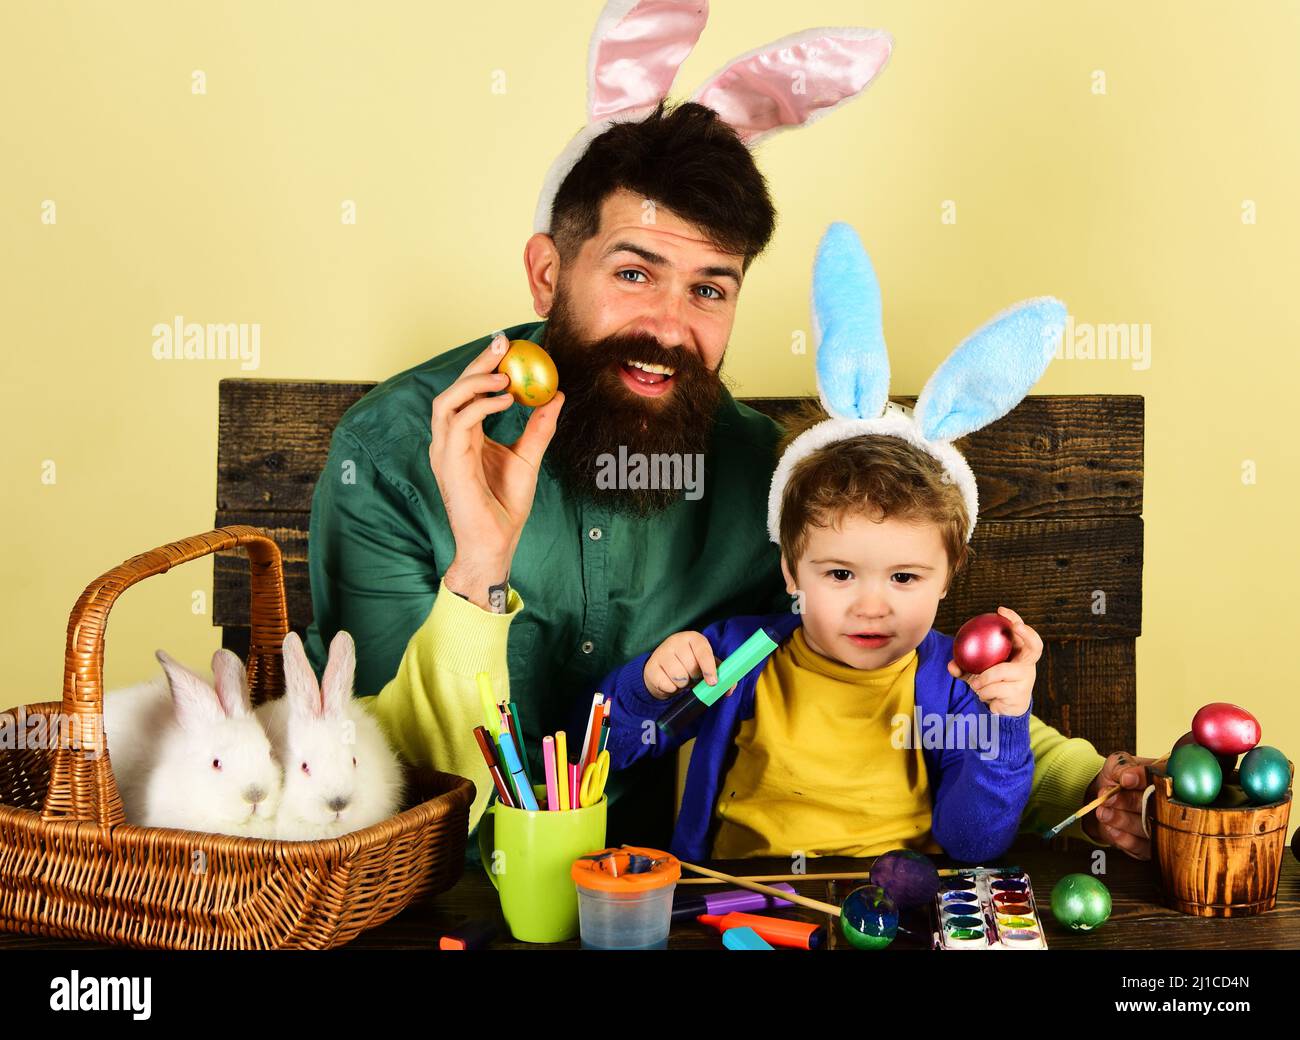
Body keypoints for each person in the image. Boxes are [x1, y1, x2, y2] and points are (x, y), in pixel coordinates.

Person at [303, 101, 1156, 857]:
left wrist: (1093, 781)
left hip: (673, 894)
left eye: (709, 290)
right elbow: (383, 782)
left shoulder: (766, 478)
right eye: (634, 274)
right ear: (547, 272)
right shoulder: (391, 452)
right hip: (445, 896)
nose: (670, 328)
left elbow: (882, 670)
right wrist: (479, 573)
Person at [603, 412, 1038, 862]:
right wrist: (648, 689)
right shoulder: (739, 657)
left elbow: (974, 844)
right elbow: (607, 753)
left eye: (904, 577)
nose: (871, 607)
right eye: (841, 573)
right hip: (740, 907)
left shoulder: (956, 685)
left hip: (898, 913)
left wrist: (1004, 729)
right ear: (791, 571)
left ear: (949, 574)